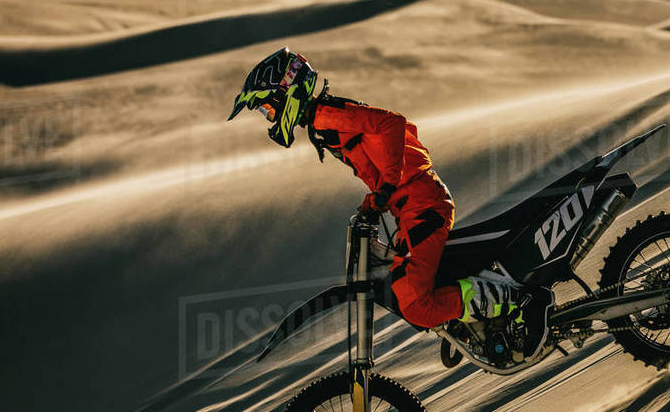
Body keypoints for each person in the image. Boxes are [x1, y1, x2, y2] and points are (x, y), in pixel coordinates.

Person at [226, 47, 549, 355]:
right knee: (409, 291)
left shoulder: (327, 115)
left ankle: (525, 302)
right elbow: (390, 145)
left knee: (417, 305)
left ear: (286, 93)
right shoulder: (323, 122)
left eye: (267, 107)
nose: (270, 117)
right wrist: (374, 198)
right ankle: (477, 322)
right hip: (411, 207)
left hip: (422, 204)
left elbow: (392, 123)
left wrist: (389, 183)